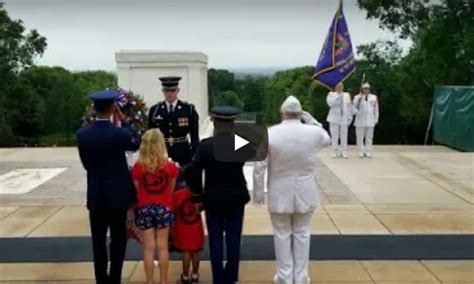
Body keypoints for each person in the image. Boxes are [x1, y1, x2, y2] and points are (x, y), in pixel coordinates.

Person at [253, 96, 330, 284]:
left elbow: (259, 166)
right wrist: (312, 121)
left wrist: (258, 194)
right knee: (303, 234)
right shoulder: (313, 132)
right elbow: (327, 139)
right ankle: (301, 277)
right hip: (306, 192)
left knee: (281, 235)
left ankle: (285, 277)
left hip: (279, 193)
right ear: (300, 114)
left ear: (282, 114)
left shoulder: (270, 133)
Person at [77, 90, 140, 284]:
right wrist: (127, 122)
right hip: (118, 197)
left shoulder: (83, 134)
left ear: (94, 109)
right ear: (114, 108)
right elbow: (135, 143)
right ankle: (114, 279)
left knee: (98, 242)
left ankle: (101, 280)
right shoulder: (119, 133)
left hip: (97, 196)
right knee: (118, 241)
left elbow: (86, 164)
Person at [184, 106, 250, 284]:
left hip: (213, 198)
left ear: (214, 123)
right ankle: (231, 277)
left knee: (215, 240)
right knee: (234, 239)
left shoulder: (205, 146)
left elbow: (192, 172)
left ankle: (218, 278)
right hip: (236, 197)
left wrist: (197, 196)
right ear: (233, 123)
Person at [131, 129, 179, 284]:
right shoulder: (171, 166)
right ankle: (164, 281)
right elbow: (171, 190)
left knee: (148, 248)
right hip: (164, 207)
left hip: (145, 208)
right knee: (163, 247)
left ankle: (150, 281)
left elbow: (138, 189)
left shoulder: (138, 167)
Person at [148, 76, 199, 166]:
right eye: (167, 91)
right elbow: (150, 134)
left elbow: (194, 136)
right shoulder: (155, 110)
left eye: (173, 91)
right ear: (163, 91)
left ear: (178, 91)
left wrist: (192, 155)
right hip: (161, 152)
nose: (170, 94)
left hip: (183, 153)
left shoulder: (188, 110)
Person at [172, 177, 205, 284]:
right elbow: (202, 207)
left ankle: (185, 277)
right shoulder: (200, 195)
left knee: (186, 252)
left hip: (183, 227)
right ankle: (195, 275)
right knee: (196, 252)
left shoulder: (178, 194)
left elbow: (173, 209)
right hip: (196, 226)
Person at [326, 83, 352, 158]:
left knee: (344, 135)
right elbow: (330, 104)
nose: (339, 87)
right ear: (335, 87)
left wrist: (350, 117)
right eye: (337, 86)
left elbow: (349, 106)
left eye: (340, 86)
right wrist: (338, 98)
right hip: (334, 118)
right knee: (334, 136)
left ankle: (343, 151)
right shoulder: (331, 94)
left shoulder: (347, 95)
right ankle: (335, 151)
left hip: (344, 117)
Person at [353, 82, 379, 158]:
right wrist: (358, 111)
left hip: (370, 120)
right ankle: (361, 151)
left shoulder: (373, 97)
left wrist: (376, 118)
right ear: (362, 89)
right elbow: (353, 109)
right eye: (365, 89)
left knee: (369, 137)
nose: (366, 90)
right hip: (360, 120)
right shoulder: (357, 97)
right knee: (360, 137)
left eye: (367, 89)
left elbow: (376, 109)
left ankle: (367, 151)